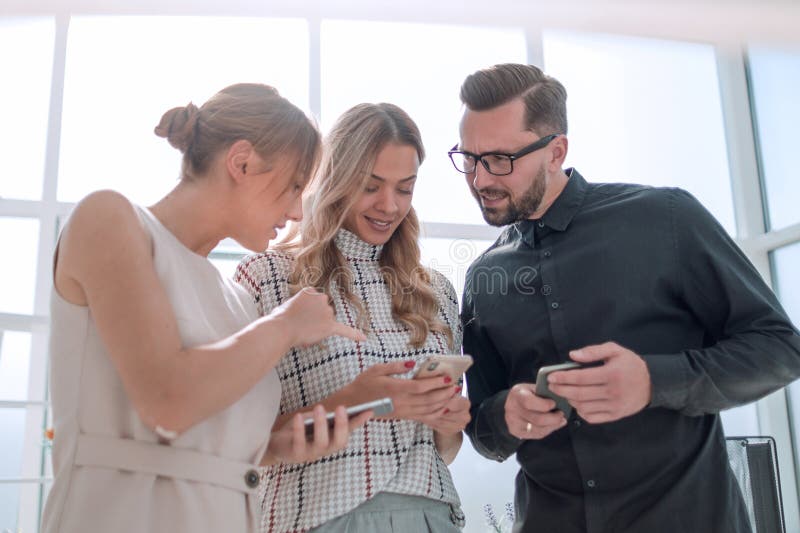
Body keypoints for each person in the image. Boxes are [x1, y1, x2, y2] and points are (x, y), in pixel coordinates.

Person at [452, 63, 800, 533]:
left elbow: (780, 348)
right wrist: (507, 414)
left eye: (500, 160)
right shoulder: (482, 278)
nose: (479, 179)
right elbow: (484, 434)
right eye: (469, 158)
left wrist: (654, 381)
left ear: (556, 151)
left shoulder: (666, 219)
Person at [42, 83, 371, 533]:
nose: (298, 211)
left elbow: (203, 439)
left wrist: (276, 448)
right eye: (294, 186)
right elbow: (168, 401)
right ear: (242, 162)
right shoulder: (110, 219)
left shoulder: (236, 299)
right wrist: (287, 324)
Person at [236, 102, 470, 532]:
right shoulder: (268, 278)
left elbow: (447, 450)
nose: (389, 205)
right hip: (316, 517)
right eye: (370, 185)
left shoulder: (435, 290)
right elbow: (245, 441)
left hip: (429, 516)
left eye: (405, 188)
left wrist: (448, 422)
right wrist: (355, 401)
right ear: (336, 180)